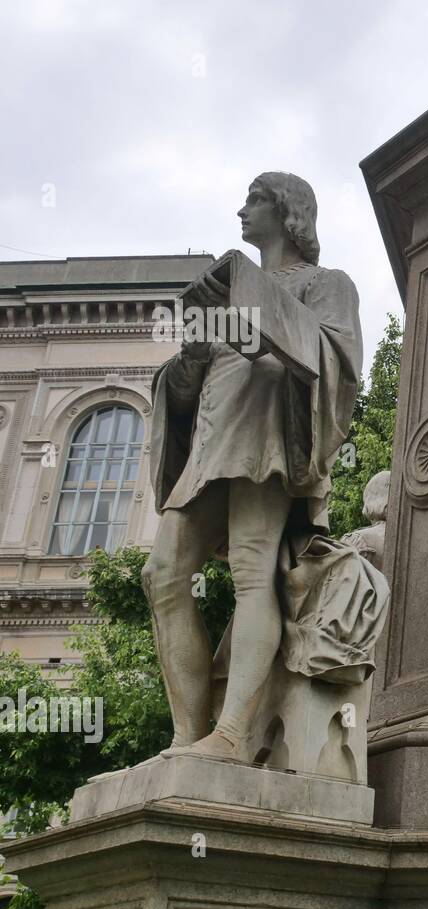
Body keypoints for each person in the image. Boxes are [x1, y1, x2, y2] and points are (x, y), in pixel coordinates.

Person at [142, 171, 364, 762]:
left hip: (266, 441)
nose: (242, 210)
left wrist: (263, 329)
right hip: (211, 443)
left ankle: (231, 735)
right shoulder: (228, 289)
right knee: (163, 574)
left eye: (255, 200)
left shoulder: (326, 283)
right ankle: (186, 737)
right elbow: (185, 387)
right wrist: (191, 353)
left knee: (250, 572)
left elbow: (340, 364)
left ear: (288, 211)